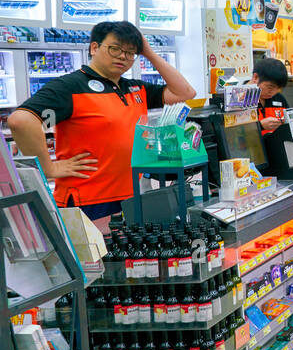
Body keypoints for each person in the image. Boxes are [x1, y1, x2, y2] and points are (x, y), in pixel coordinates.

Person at [9, 21, 195, 225]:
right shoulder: (69, 86)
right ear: (94, 47)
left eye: (131, 52)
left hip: (130, 196)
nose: (123, 56)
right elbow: (21, 120)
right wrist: (48, 168)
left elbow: (184, 93)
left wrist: (149, 53)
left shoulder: (134, 89)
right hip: (88, 202)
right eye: (115, 49)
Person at [251, 57, 293, 178]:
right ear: (255, 77)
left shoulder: (279, 99)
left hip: (279, 163)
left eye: (277, 88)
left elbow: (291, 128)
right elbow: (234, 136)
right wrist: (260, 126)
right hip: (253, 164)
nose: (273, 92)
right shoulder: (240, 99)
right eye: (270, 87)